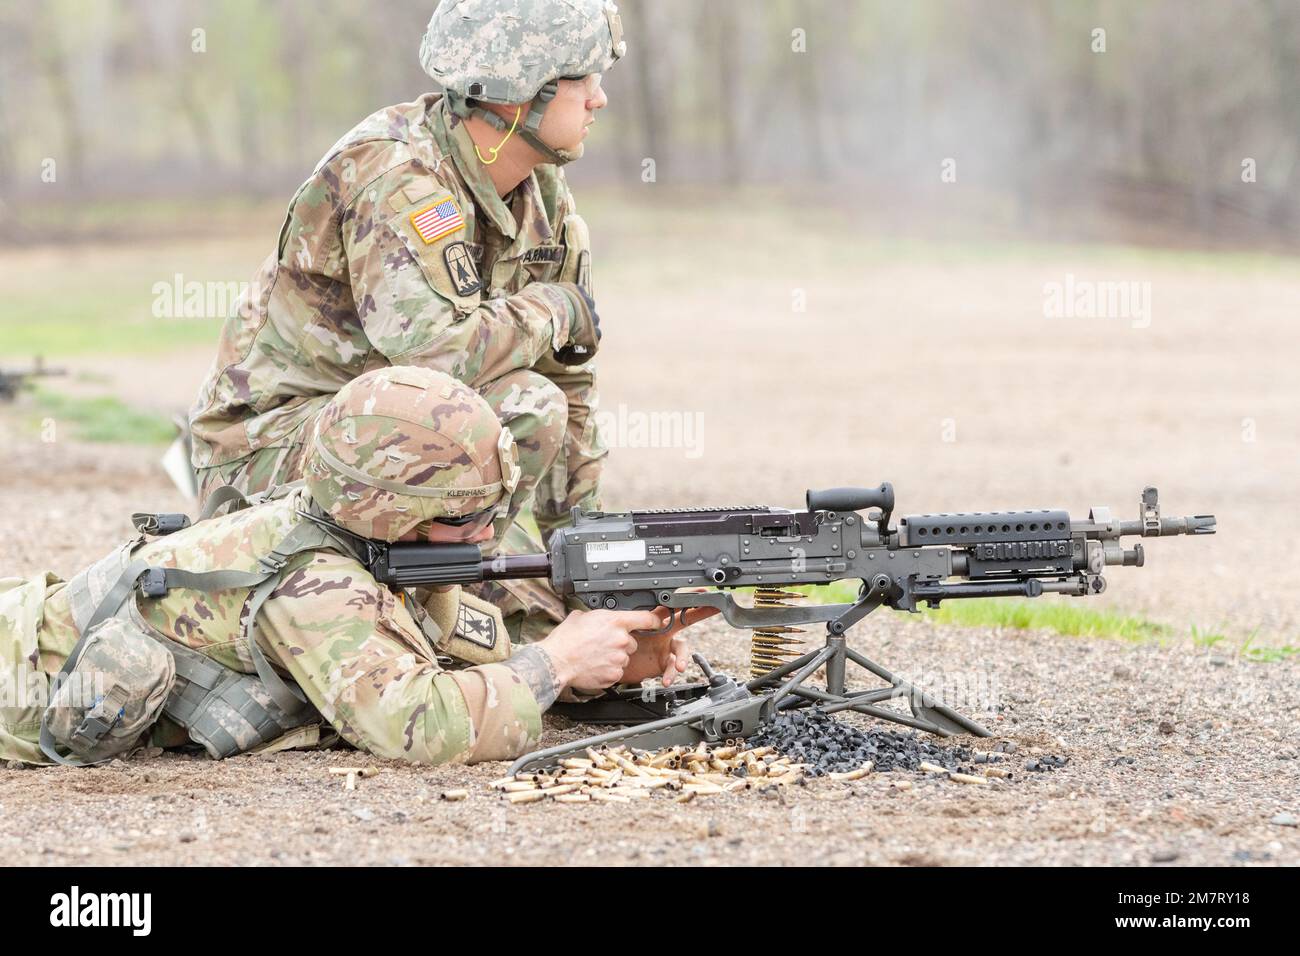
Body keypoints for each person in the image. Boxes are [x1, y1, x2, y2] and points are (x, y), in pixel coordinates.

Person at [0, 366, 709, 767]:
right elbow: (421, 725)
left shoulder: (360, 541)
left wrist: (602, 667)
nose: (489, 530)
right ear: (392, 512)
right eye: (465, 516)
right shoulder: (317, 580)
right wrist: (554, 663)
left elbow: (457, 655)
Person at [186, 0, 627, 643]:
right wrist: (553, 308)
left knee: (572, 624)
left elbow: (572, 385)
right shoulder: (395, 173)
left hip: (395, 450)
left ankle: (439, 589)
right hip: (270, 452)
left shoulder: (544, 196)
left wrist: (589, 563)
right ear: (516, 94)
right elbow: (435, 357)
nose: (599, 99)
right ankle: (424, 612)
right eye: (582, 78)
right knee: (522, 404)